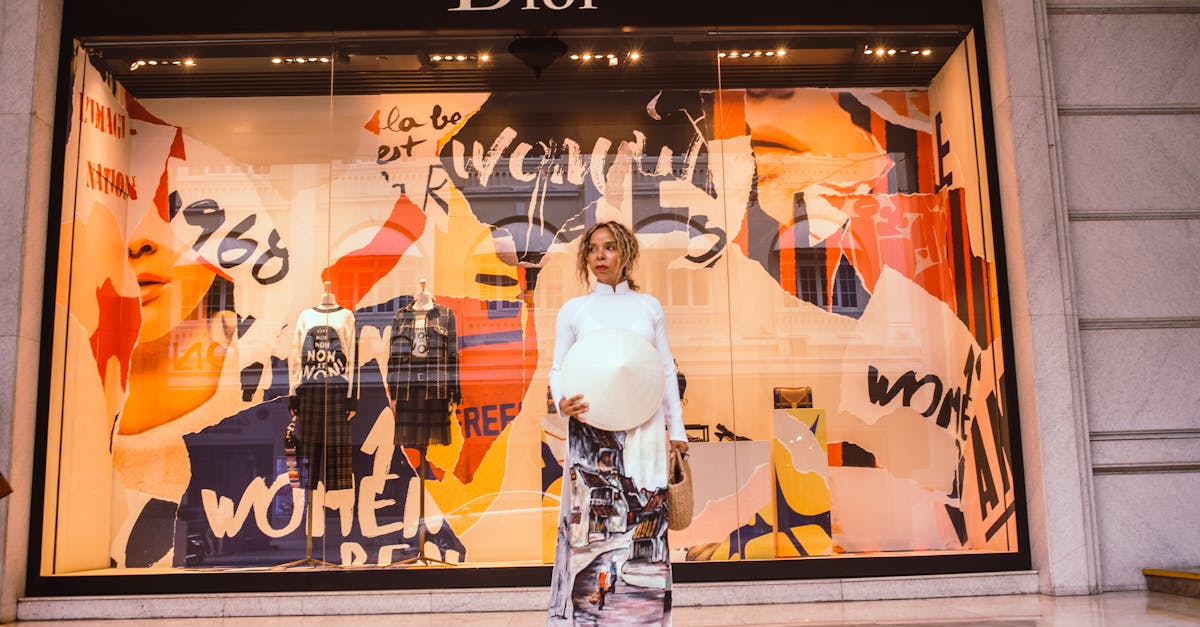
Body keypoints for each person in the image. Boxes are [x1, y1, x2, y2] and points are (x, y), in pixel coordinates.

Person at [547, 220, 688, 626]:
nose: (599, 257)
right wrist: (562, 400)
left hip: (643, 429)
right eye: (592, 249)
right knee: (587, 528)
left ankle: (642, 619)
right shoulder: (575, 310)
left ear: (625, 254)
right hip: (591, 428)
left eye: (609, 248)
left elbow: (663, 371)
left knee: (644, 519)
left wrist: (675, 431)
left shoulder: (649, 307)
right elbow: (559, 368)